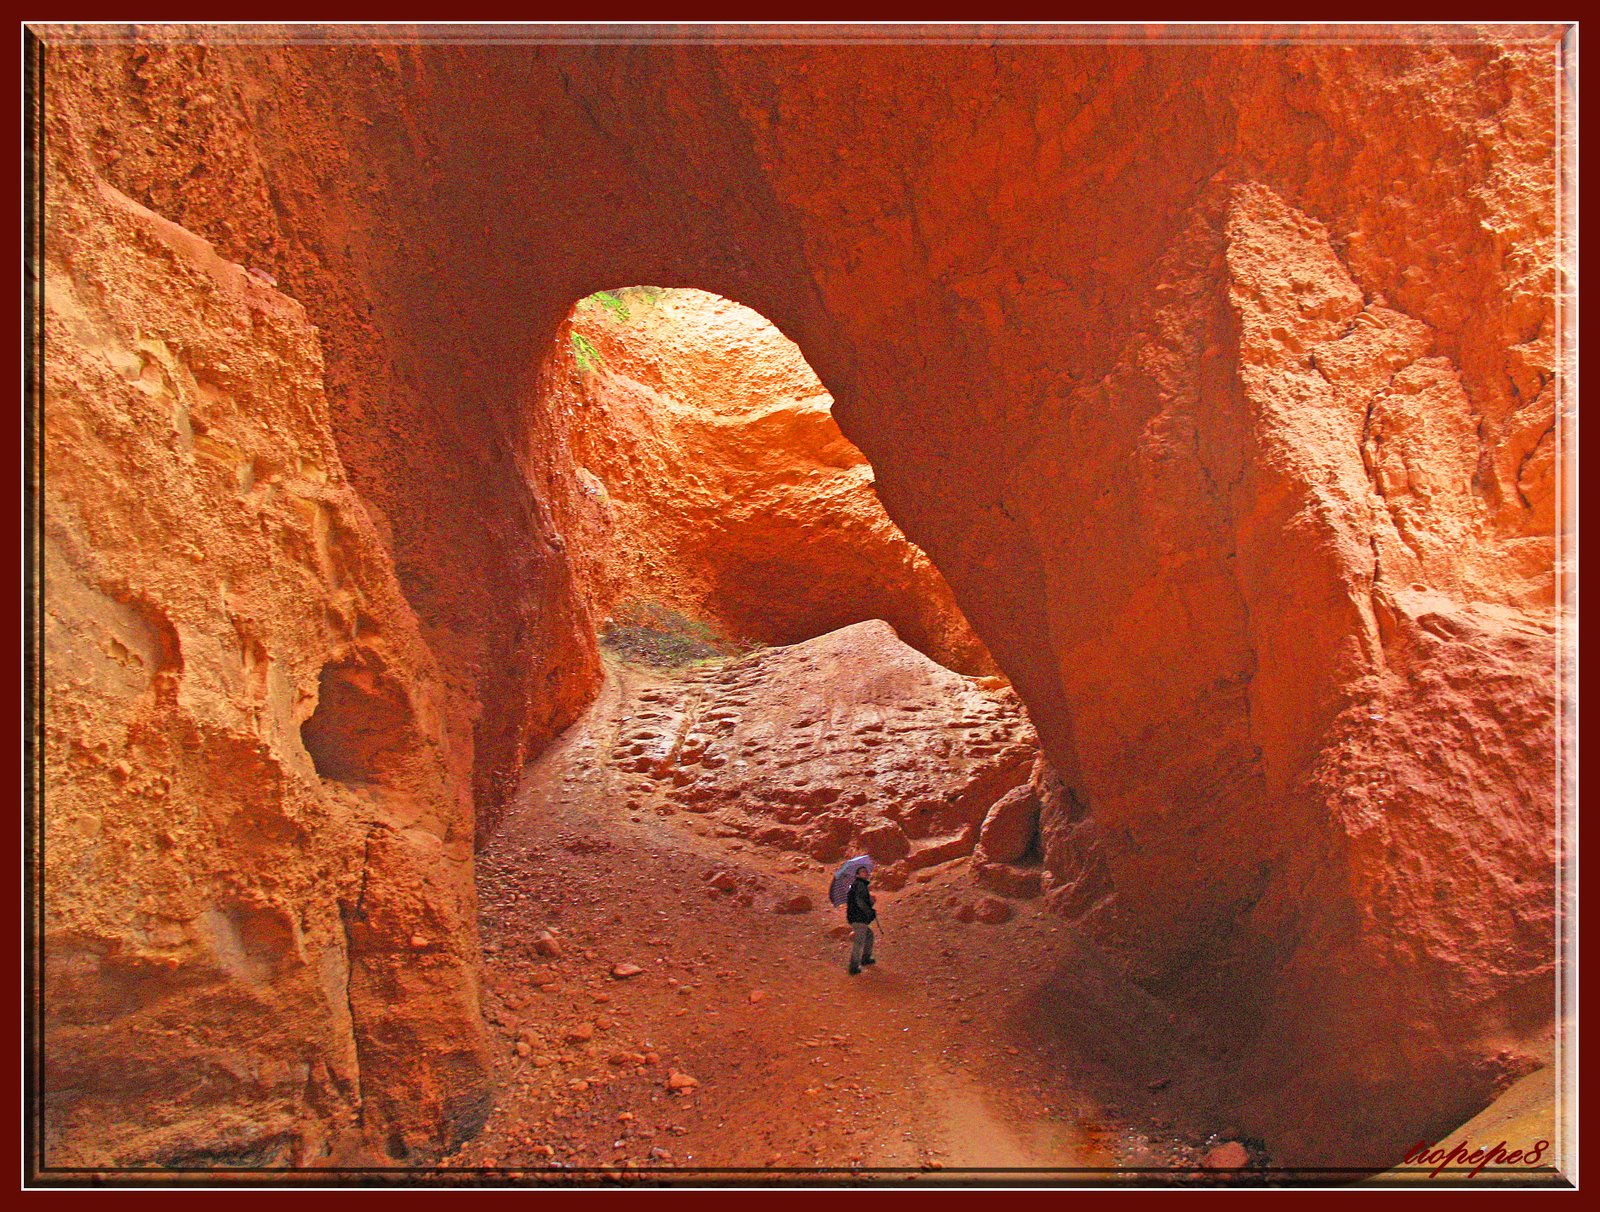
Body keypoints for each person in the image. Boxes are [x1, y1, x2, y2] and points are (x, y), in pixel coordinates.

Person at [846, 866, 877, 975]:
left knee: (869, 935)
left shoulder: (859, 885)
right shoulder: (860, 885)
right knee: (859, 941)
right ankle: (854, 967)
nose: (865, 873)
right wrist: (869, 910)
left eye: (865, 871)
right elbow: (860, 902)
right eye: (862, 872)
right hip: (859, 917)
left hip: (856, 917)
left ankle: (865, 958)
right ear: (857, 875)